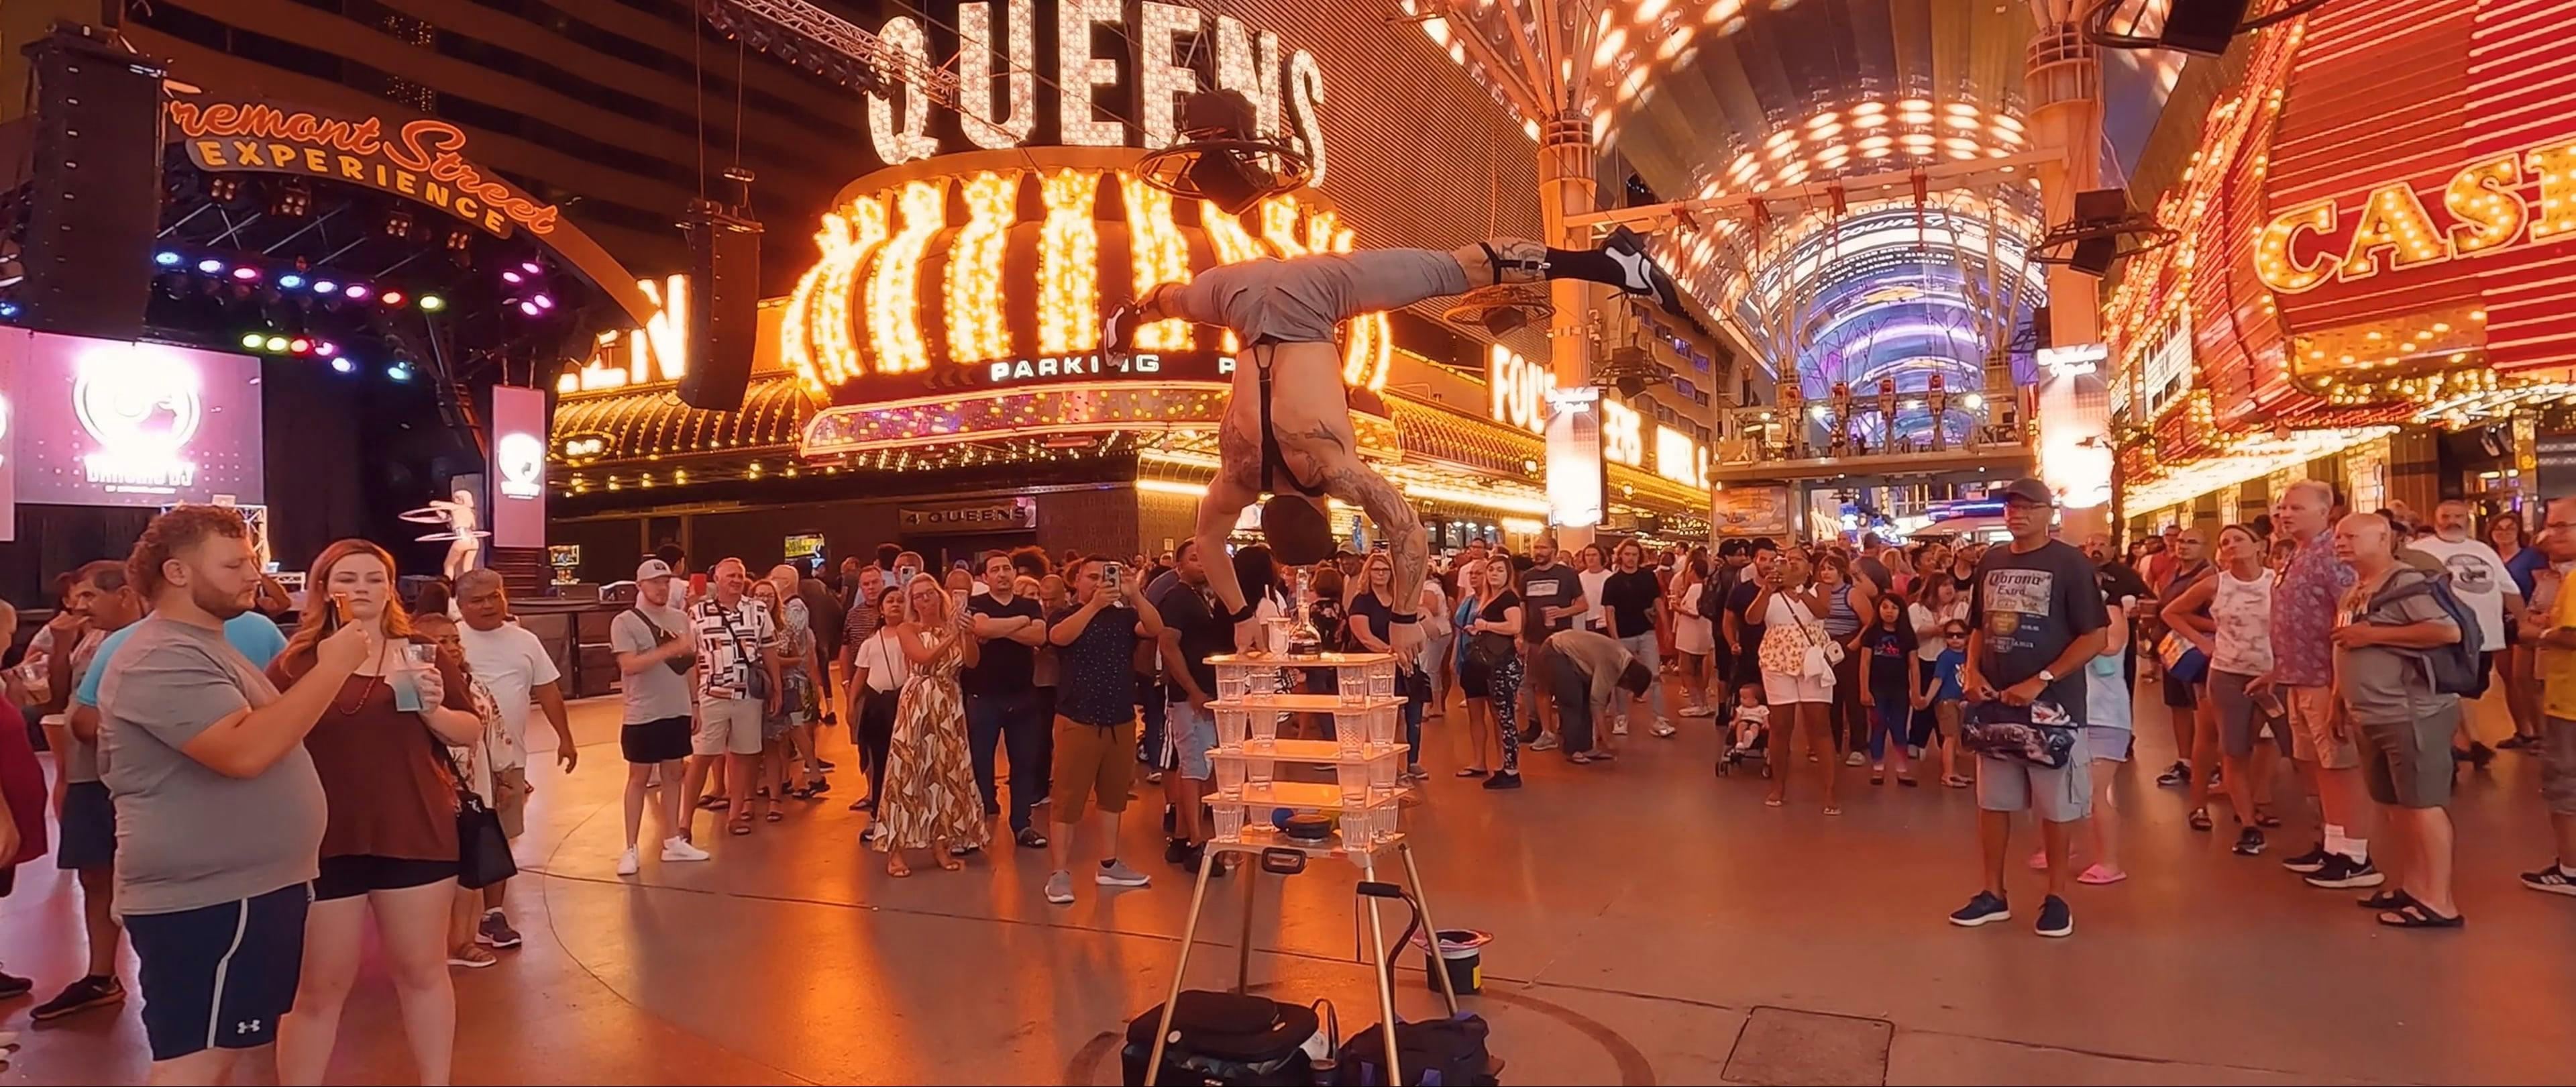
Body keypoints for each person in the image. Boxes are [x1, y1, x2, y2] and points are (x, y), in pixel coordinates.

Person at [87, 508, 356, 1084]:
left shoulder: (208, 644)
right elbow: (243, 752)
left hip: (251, 889)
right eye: (233, 564)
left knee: (248, 1047)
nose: (252, 574)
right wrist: (331, 671)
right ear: (178, 573)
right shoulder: (162, 655)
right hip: (211, 900)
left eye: (251, 561)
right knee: (197, 1062)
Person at [270, 539, 482, 1087]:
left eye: (373, 578)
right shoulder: (295, 663)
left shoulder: (419, 653)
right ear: (323, 588)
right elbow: (266, 735)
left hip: (416, 830)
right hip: (323, 839)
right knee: (318, 986)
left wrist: (434, 709)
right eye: (347, 578)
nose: (361, 589)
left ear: (390, 588)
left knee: (422, 971)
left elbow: (470, 730)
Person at [1950, 478, 2108, 940]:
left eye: (2026, 507)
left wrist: (2041, 680)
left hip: (2053, 707)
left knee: (2056, 805)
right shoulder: (1992, 561)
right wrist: (1972, 670)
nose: (2016, 514)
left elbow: (2094, 636)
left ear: (2047, 512)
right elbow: (1977, 625)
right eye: (2010, 506)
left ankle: (2057, 896)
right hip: (1996, 703)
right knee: (1992, 803)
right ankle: (1992, 892)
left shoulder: (2070, 563)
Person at [2330, 513, 2464, 927]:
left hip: (2410, 713)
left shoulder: (2405, 582)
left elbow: (2446, 632)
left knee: (2422, 806)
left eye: (2352, 536)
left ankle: (2439, 901)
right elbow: (2345, 642)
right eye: (2338, 536)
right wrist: (2339, 697)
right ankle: (2414, 885)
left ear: (2384, 538)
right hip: (2370, 712)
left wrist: (2372, 636)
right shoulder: (2357, 588)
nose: (2341, 543)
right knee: (2395, 805)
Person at [26, 561, 142, 1022]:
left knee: (147, 877)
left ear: (126, 595)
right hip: (86, 775)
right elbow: (51, 700)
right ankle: (101, 976)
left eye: (90, 597)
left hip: (131, 778)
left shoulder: (151, 640)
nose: (79, 607)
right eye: (75, 599)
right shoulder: (88, 638)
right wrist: (61, 644)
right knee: (94, 873)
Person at [2258, 480, 2379, 889]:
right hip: (2297, 676)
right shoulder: (2297, 554)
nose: (2285, 514)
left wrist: (2341, 688)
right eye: (2282, 508)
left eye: (2296, 508)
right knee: (2318, 767)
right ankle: (2333, 842)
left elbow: (2347, 617)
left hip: (2325, 679)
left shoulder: (2333, 555)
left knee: (2340, 767)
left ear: (2326, 512)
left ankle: (2356, 855)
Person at [448, 568, 575, 952]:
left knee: (499, 834)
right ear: (461, 605)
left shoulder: (526, 641)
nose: (488, 605)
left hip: (508, 760)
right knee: (453, 839)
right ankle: (449, 922)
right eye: (477, 600)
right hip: (455, 762)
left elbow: (548, 691)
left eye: (494, 596)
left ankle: (492, 915)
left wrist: (565, 739)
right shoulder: (448, 640)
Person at [1043, 558, 1167, 904]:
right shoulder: (1065, 615)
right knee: (1068, 799)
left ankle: (1109, 863)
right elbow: (1059, 637)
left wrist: (1135, 593)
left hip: (1120, 718)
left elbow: (1155, 627)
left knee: (1113, 797)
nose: (1100, 583)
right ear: (1077, 582)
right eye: (1092, 578)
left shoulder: (1125, 617)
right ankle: (1060, 872)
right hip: (1078, 719)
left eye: (1105, 577)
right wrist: (1095, 605)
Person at [2165, 524, 2288, 856]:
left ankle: (2327, 827)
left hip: (2275, 674)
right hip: (2227, 674)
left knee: (2288, 745)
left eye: (2239, 539)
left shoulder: (2278, 581)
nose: (2232, 545)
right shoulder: (2214, 584)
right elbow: (2172, 612)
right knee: (2231, 747)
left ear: (2259, 545)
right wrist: (2204, 642)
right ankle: (2247, 823)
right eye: (2225, 541)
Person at [872, 574, 987, 876]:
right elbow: (922, 659)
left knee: (945, 770)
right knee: (908, 770)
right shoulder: (907, 628)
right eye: (919, 596)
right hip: (919, 700)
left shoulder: (953, 626)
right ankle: (896, 850)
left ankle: (941, 842)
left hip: (949, 700)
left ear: (940, 596)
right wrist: (952, 634)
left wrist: (966, 634)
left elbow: (972, 663)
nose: (926, 600)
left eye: (930, 594)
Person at [608, 560, 710, 875]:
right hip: (643, 712)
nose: (661, 588)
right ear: (640, 586)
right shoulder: (625, 622)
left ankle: (672, 840)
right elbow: (629, 665)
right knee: (638, 778)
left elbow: (689, 664)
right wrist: (670, 649)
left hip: (676, 708)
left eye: (665, 582)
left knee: (674, 773)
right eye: (654, 582)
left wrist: (694, 703)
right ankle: (630, 846)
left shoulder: (680, 619)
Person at [2408, 500, 2521, 768]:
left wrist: (2523, 620)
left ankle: (2462, 743)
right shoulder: (2417, 552)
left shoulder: (2483, 550)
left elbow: (2509, 589)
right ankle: (2464, 743)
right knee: (2450, 689)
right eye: (2446, 516)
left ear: (2467, 519)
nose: (2452, 521)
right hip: (2444, 634)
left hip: (2485, 636)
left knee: (2471, 690)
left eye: (2458, 516)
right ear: (2435, 519)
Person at [683, 558, 782, 838]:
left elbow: (770, 651)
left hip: (748, 695)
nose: (736, 580)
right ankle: (684, 823)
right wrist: (691, 698)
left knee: (746, 755)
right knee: (702, 756)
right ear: (717, 579)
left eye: (739, 576)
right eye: (730, 576)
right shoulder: (697, 613)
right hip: (711, 694)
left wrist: (776, 688)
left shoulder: (758, 610)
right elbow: (689, 656)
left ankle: (736, 814)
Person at [1152, 541, 1233, 870]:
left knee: (1195, 765)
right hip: (1190, 697)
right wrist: (1193, 689)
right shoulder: (1177, 598)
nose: (1202, 564)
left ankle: (1184, 837)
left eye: (1206, 558)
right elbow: (1169, 646)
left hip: (1208, 691)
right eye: (1194, 559)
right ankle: (1199, 844)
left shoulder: (1206, 598)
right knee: (1195, 766)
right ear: (1180, 566)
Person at [963, 552, 1052, 849]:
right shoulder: (978, 605)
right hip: (984, 697)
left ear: (1014, 574)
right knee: (981, 763)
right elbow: (981, 629)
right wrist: (1020, 624)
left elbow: (1039, 636)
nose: (1002, 574)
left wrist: (1000, 629)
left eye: (1006, 569)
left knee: (1025, 762)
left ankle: (1022, 825)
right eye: (995, 570)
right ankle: (980, 822)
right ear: (985, 578)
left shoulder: (1029, 604)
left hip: (1023, 696)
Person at [1751, 550, 1839, 814]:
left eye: (1798, 559)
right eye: (1786, 559)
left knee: (1819, 725)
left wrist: (1796, 589)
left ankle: (1829, 792)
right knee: (1780, 725)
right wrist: (1767, 590)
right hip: (1777, 661)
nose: (1791, 562)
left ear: (1809, 567)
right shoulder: (1771, 592)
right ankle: (1778, 787)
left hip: (1811, 661)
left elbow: (1822, 612)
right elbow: (1752, 618)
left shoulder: (1818, 589)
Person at [2521, 495, 2576, 898]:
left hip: (2571, 702)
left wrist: (2537, 635)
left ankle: (2571, 868)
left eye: (2561, 527)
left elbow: (2572, 635)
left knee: (2566, 785)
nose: (2549, 535)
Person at [1348, 550, 1430, 778]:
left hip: (1406, 664)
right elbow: (1364, 637)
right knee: (1385, 719)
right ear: (1369, 573)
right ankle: (1389, 765)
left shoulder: (1399, 600)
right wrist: (1391, 651)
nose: (1381, 574)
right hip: (1377, 668)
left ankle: (1413, 761)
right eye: (1376, 570)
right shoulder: (1362, 600)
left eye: (1385, 570)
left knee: (1413, 714)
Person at [2071, 592, 2133, 885]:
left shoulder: (2112, 614)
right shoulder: (2072, 621)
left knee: (2095, 792)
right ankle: (2063, 847)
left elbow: (2110, 646)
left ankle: (2109, 863)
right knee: (2065, 788)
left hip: (2106, 717)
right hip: (2074, 715)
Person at [1536, 626, 1656, 766]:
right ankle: (1572, 749)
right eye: (1628, 688)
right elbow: (1597, 702)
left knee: (1585, 699)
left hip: (1572, 656)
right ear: (1628, 678)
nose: (1624, 689)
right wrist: (1607, 740)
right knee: (1573, 701)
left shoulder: (1624, 660)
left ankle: (1586, 748)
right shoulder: (1613, 663)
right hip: (1556, 650)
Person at [2152, 531, 2214, 789]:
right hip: (2174, 649)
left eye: (2192, 542)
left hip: (2196, 651)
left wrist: (2180, 619)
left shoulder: (2207, 576)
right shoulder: (2173, 572)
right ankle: (2185, 761)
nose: (2184, 547)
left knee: (2202, 711)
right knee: (2178, 705)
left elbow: (2214, 618)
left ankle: (2207, 766)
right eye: (2181, 542)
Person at [848, 592, 911, 838]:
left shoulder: (914, 636)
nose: (896, 604)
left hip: (907, 701)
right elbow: (860, 675)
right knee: (881, 760)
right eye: (890, 601)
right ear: (882, 610)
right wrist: (851, 704)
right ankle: (879, 816)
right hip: (877, 705)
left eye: (900, 600)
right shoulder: (870, 642)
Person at [1599, 540, 1674, 740]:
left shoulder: (1648, 577)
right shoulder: (1612, 582)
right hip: (1623, 635)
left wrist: (1666, 627)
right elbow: (1610, 611)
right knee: (1623, 679)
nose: (1630, 558)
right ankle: (1622, 716)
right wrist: (1614, 639)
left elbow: (1658, 602)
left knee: (1655, 677)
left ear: (1638, 557)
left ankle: (1658, 718)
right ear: (1621, 556)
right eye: (1627, 554)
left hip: (1646, 633)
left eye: (1634, 554)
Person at [1516, 539, 1585, 750]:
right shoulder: (1527, 577)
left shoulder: (1568, 575)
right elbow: (1523, 609)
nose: (1538, 552)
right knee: (1539, 686)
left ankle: (1569, 729)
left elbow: (1583, 604)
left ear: (1553, 551)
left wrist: (1562, 612)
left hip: (1562, 640)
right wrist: (1520, 635)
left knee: (1564, 685)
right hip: (1536, 639)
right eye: (1536, 548)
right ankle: (1547, 732)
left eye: (1543, 548)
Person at [769, 565, 833, 788]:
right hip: (784, 675)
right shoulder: (780, 608)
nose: (771, 580)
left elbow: (786, 643)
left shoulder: (795, 608)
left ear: (786, 582)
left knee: (796, 726)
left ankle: (813, 772)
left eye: (775, 578)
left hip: (793, 677)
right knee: (783, 731)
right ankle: (784, 777)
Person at [1813, 554, 1875, 766]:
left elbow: (1869, 621)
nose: (1826, 573)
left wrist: (1856, 642)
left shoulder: (1853, 594)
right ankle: (1833, 745)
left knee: (1852, 697)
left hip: (1848, 647)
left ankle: (1858, 746)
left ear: (1841, 572)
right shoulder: (1819, 594)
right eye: (1823, 569)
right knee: (1831, 698)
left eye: (1831, 569)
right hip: (1825, 649)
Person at [1855, 591, 1918, 786]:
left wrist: (1916, 691)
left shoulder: (1907, 635)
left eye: (1894, 608)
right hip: (1877, 690)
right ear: (1878, 610)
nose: (1889, 612)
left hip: (1900, 690)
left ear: (1901, 611)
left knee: (1899, 728)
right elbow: (1864, 663)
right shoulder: (1872, 633)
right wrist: (1864, 690)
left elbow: (1914, 665)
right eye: (1885, 607)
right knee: (1878, 727)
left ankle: (1902, 769)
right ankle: (1878, 768)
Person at [2495, 511, 2545, 751]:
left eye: (2509, 528)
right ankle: (2522, 731)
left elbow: (2541, 587)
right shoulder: (2490, 557)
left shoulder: (2531, 557)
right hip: (2499, 622)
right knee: (2508, 679)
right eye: (2499, 529)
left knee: (2524, 678)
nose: (2504, 533)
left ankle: (2541, 734)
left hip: (2525, 620)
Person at [1672, 556, 1717, 719]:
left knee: (1686, 669)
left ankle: (1697, 703)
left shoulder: (1695, 589)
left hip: (1691, 636)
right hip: (1702, 633)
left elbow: (1695, 613)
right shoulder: (1705, 588)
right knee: (1697, 670)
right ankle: (1702, 702)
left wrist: (1677, 608)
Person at [1929, 621, 1972, 788]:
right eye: (1950, 635)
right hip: (1947, 701)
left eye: (1960, 635)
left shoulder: (1968, 656)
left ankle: (1953, 771)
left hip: (1962, 700)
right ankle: (1948, 773)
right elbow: (1937, 680)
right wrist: (1927, 699)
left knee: (1956, 738)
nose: (1955, 639)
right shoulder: (1945, 657)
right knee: (1949, 737)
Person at [1722, 683, 1770, 765]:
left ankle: (1750, 737)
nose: (1741, 700)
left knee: (1754, 727)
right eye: (1741, 697)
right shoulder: (1741, 708)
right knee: (1741, 725)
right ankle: (1740, 743)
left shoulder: (1762, 709)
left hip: (1757, 722)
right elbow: (1738, 718)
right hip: (1744, 720)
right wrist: (1734, 723)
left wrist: (1766, 724)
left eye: (1744, 698)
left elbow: (1765, 718)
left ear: (1756, 700)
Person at [1574, 544, 1611, 633]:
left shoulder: (1610, 577)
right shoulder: (1579, 577)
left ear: (1601, 557)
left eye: (1594, 555)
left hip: (1604, 621)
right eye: (1588, 555)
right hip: (1585, 620)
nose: (1591, 558)